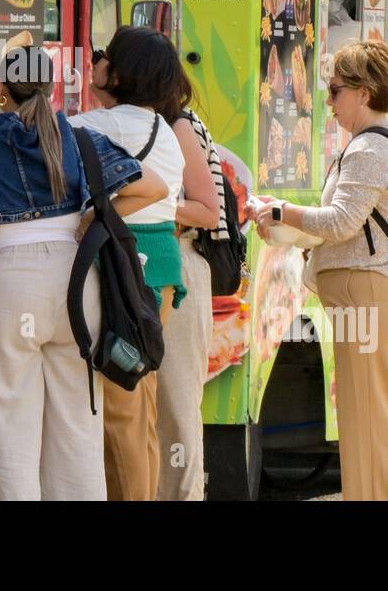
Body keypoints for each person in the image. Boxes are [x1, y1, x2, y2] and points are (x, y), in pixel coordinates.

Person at [0, 46, 167, 501]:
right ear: (52, 89)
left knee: (11, 446)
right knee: (79, 436)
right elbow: (154, 187)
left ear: (1, 89)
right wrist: (87, 219)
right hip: (77, 290)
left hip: (2, 286)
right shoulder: (79, 140)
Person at [248, 40, 388, 501]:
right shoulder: (374, 146)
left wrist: (283, 212)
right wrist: (285, 221)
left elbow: (341, 222)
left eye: (336, 90)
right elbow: (341, 229)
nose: (328, 100)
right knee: (365, 424)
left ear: (364, 93)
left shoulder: (368, 150)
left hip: (369, 298)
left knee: (372, 426)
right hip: (368, 298)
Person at [68, 26, 187, 501]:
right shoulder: (167, 132)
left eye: (104, 57)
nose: (96, 62)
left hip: (121, 270)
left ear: (119, 72)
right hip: (160, 271)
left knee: (118, 408)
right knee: (140, 406)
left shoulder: (103, 126)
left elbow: (35, 142)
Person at [157, 92, 224, 502]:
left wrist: (151, 204)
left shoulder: (179, 125)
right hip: (161, 264)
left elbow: (207, 210)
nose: (95, 68)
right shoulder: (153, 123)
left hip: (180, 261)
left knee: (177, 406)